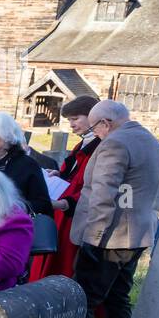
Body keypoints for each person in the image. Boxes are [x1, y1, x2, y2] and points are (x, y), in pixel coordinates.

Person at [70, 99, 159, 318]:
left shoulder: (114, 143)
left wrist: (93, 237)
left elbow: (103, 195)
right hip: (138, 233)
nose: (95, 135)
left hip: (110, 237)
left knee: (85, 299)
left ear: (106, 123)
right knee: (118, 298)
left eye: (95, 128)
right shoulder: (151, 140)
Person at [28, 95, 100, 282]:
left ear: (91, 116)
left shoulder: (99, 146)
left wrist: (64, 203)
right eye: (70, 120)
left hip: (72, 210)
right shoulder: (83, 142)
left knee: (63, 262)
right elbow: (74, 173)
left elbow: (88, 182)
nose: (72, 124)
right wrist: (60, 174)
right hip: (62, 207)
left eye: (76, 119)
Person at [0, 111, 53, 219]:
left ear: (6, 136)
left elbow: (43, 204)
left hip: (13, 227)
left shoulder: (26, 164)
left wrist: (12, 209)